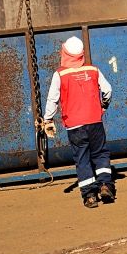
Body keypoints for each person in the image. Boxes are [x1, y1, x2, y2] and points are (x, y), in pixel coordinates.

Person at [42, 36, 114, 209]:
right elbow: (107, 90)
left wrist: (48, 119)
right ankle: (105, 184)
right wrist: (102, 107)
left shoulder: (60, 74)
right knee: (100, 154)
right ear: (82, 53)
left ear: (65, 52)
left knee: (82, 158)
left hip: (74, 125)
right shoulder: (93, 70)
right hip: (94, 121)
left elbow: (53, 99)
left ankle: (90, 196)